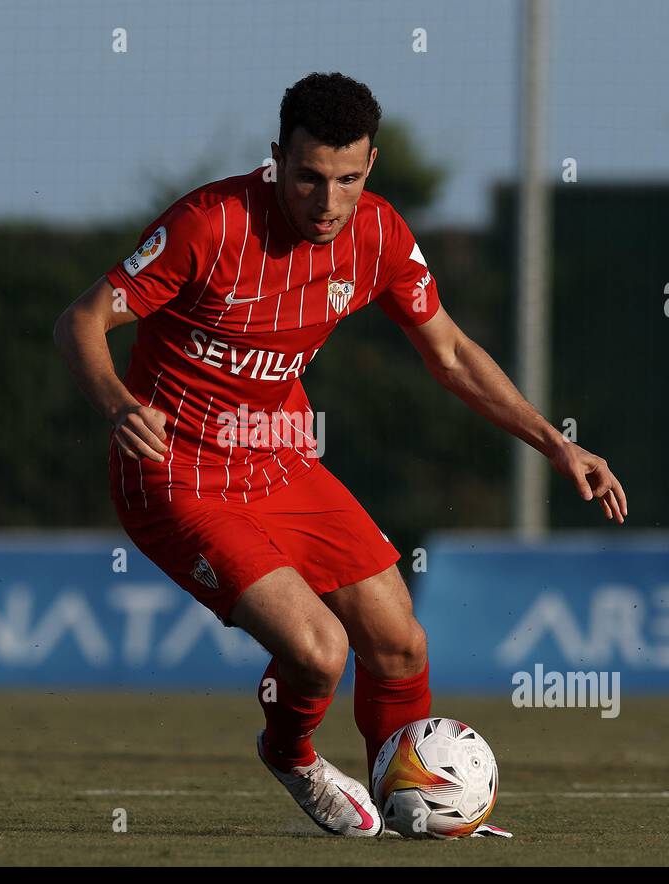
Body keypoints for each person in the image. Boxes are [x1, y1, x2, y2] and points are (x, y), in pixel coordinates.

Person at [55, 72, 627, 837]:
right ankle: (291, 755)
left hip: (281, 461)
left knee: (397, 639)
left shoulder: (380, 235)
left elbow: (450, 354)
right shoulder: (211, 225)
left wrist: (555, 444)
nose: (328, 203)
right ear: (276, 159)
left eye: (348, 180)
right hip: (174, 474)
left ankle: (412, 803)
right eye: (309, 178)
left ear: (371, 167)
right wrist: (119, 405)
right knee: (321, 651)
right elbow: (81, 322)